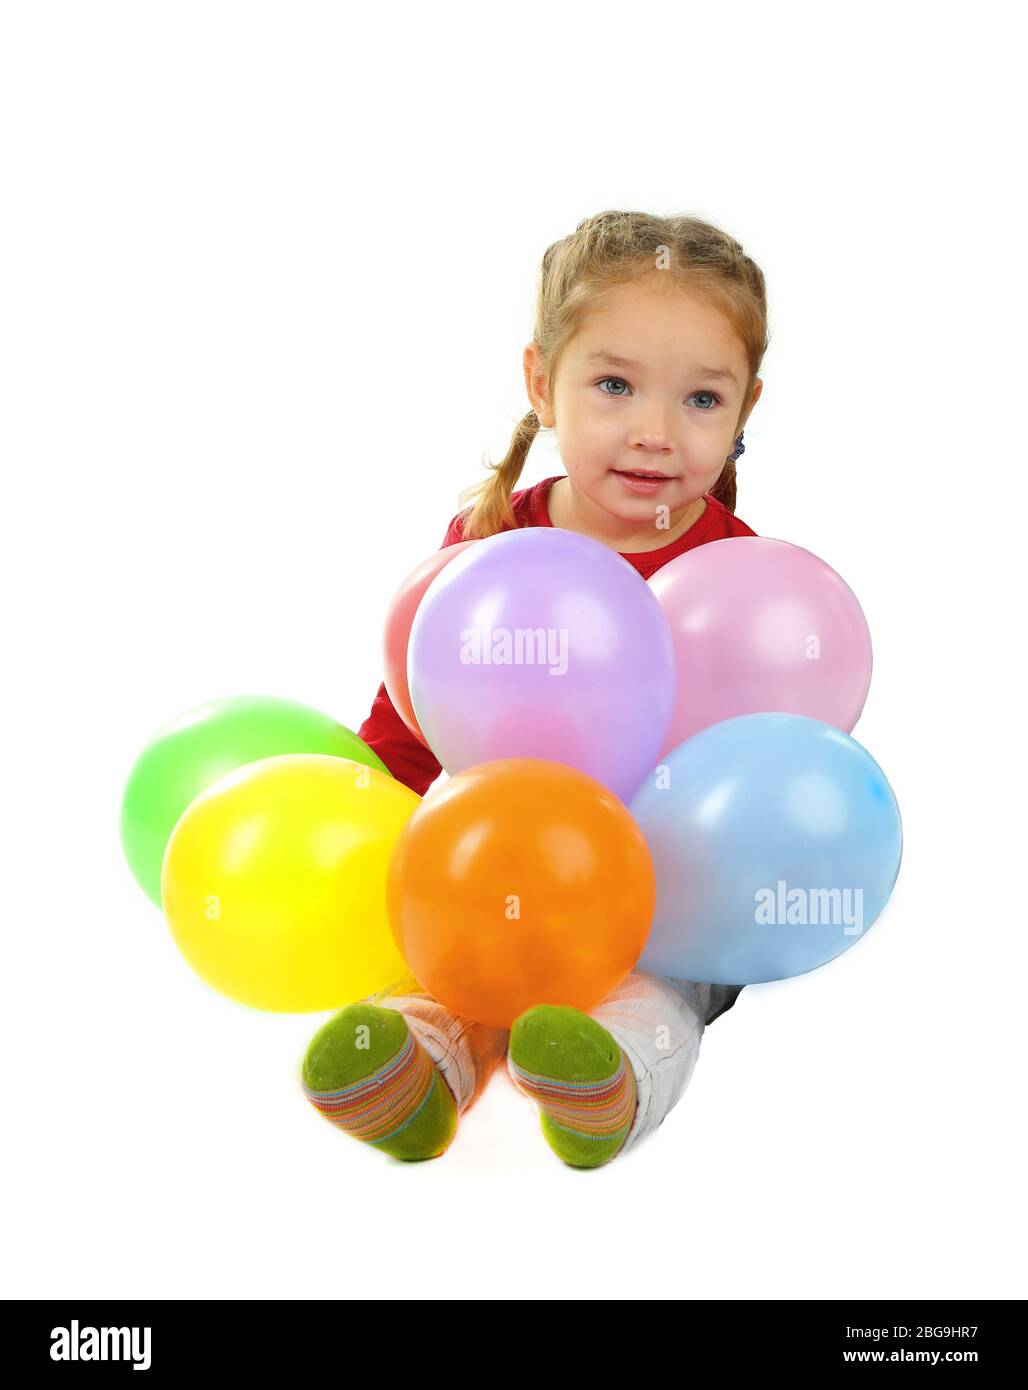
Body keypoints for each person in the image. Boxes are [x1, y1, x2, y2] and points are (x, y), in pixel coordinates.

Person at [302, 209, 769, 1167]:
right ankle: (423, 1060)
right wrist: (362, 813)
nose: (654, 434)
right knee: (445, 954)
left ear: (746, 410)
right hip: (502, 866)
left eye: (701, 401)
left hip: (655, 887)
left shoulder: (738, 578)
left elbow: (759, 765)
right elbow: (414, 710)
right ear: (540, 385)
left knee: (671, 980)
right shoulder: (488, 549)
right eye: (613, 386)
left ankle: (613, 1074)